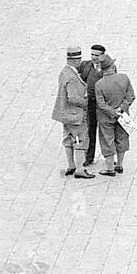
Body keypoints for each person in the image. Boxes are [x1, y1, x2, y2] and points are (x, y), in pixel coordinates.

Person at [51, 46, 93, 179]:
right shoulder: (73, 77)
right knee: (80, 141)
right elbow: (73, 97)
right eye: (79, 59)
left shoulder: (64, 72)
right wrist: (86, 103)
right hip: (76, 115)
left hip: (65, 114)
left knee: (68, 139)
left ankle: (71, 166)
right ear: (75, 60)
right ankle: (80, 170)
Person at [94, 57, 135, 176]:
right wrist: (121, 109)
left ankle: (110, 168)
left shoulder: (99, 84)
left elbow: (101, 104)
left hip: (106, 118)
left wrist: (112, 112)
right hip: (123, 116)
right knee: (122, 139)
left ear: (103, 69)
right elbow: (131, 96)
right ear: (113, 66)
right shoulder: (124, 78)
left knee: (107, 140)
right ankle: (120, 164)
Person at [77, 44, 110, 168]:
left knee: (106, 130)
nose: (93, 57)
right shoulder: (86, 65)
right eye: (92, 54)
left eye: (96, 55)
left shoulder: (109, 67)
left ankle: (109, 158)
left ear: (103, 56)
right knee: (90, 129)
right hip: (90, 102)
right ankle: (89, 157)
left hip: (103, 103)